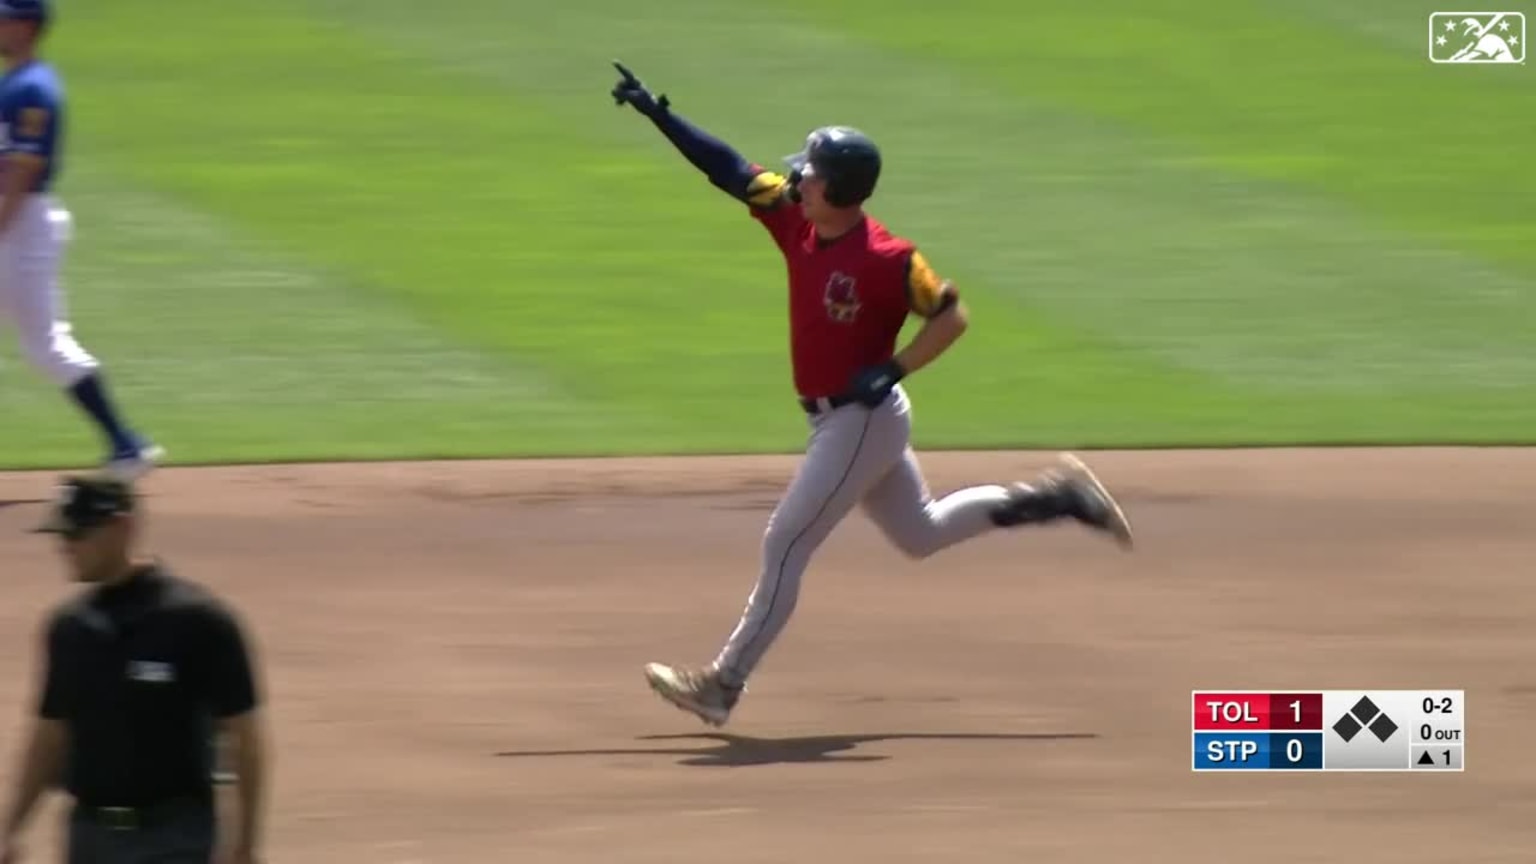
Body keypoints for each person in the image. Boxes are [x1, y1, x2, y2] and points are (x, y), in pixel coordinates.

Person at [609, 61, 1135, 728]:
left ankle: (723, 683)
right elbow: (729, 168)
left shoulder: (888, 258)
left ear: (838, 189)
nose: (797, 177)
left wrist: (896, 367)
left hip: (859, 420)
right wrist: (661, 116)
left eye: (810, 172)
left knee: (786, 543)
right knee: (921, 533)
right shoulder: (794, 217)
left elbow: (951, 316)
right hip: (854, 423)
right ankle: (1062, 499)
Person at [0, 475, 268, 864]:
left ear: (123, 527)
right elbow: (50, 734)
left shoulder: (198, 620)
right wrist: (13, 827)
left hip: (174, 838)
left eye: (77, 534)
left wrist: (246, 845)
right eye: (62, 535)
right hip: (88, 836)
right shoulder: (70, 627)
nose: (65, 546)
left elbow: (246, 737)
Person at [0, 0, 163, 481]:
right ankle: (125, 443)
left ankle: (126, 444)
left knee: (46, 348)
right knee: (43, 347)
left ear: (27, 26)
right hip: (17, 221)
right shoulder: (14, 82)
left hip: (21, 224)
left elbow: (23, 173)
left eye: (3, 17)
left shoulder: (33, 88)